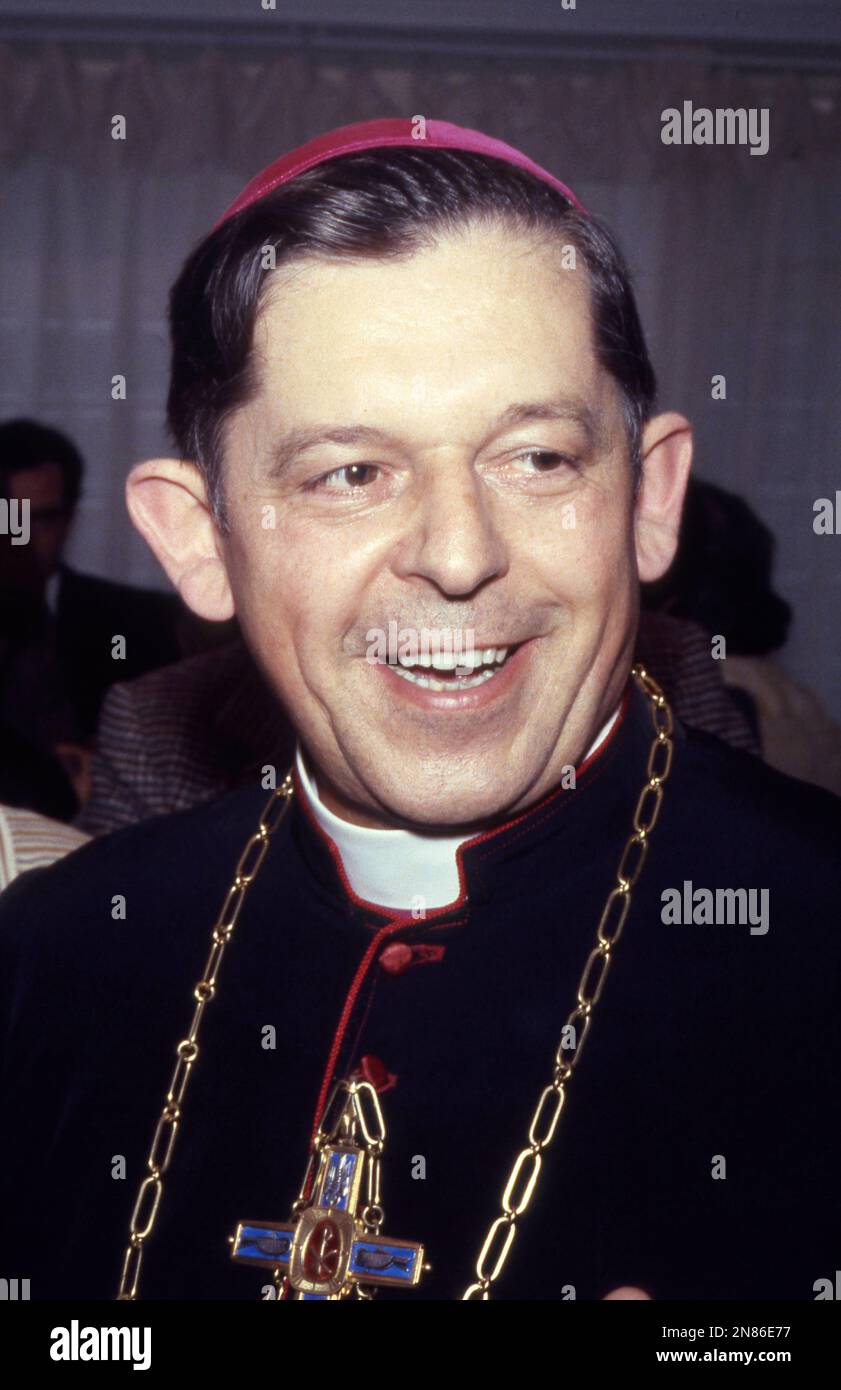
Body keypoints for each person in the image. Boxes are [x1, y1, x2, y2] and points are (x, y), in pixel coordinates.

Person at [0, 118, 838, 1304]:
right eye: (351, 472)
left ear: (650, 500)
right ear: (200, 541)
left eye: (537, 458)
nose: (456, 556)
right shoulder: (54, 952)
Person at [0, 419, 186, 762]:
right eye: (9, 519)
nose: (19, 536)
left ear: (68, 519)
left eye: (39, 519)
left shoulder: (141, 621)